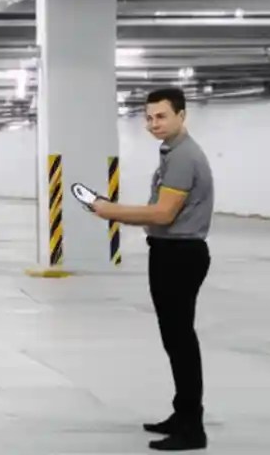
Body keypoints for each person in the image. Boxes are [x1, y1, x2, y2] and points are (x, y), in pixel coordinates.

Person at [89, 87, 214, 452]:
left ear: (181, 115)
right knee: (175, 338)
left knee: (180, 340)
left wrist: (111, 211)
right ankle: (183, 413)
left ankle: (192, 428)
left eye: (161, 116)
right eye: (148, 117)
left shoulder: (184, 156)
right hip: (170, 252)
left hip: (180, 255)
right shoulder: (172, 152)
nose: (153, 123)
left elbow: (163, 213)